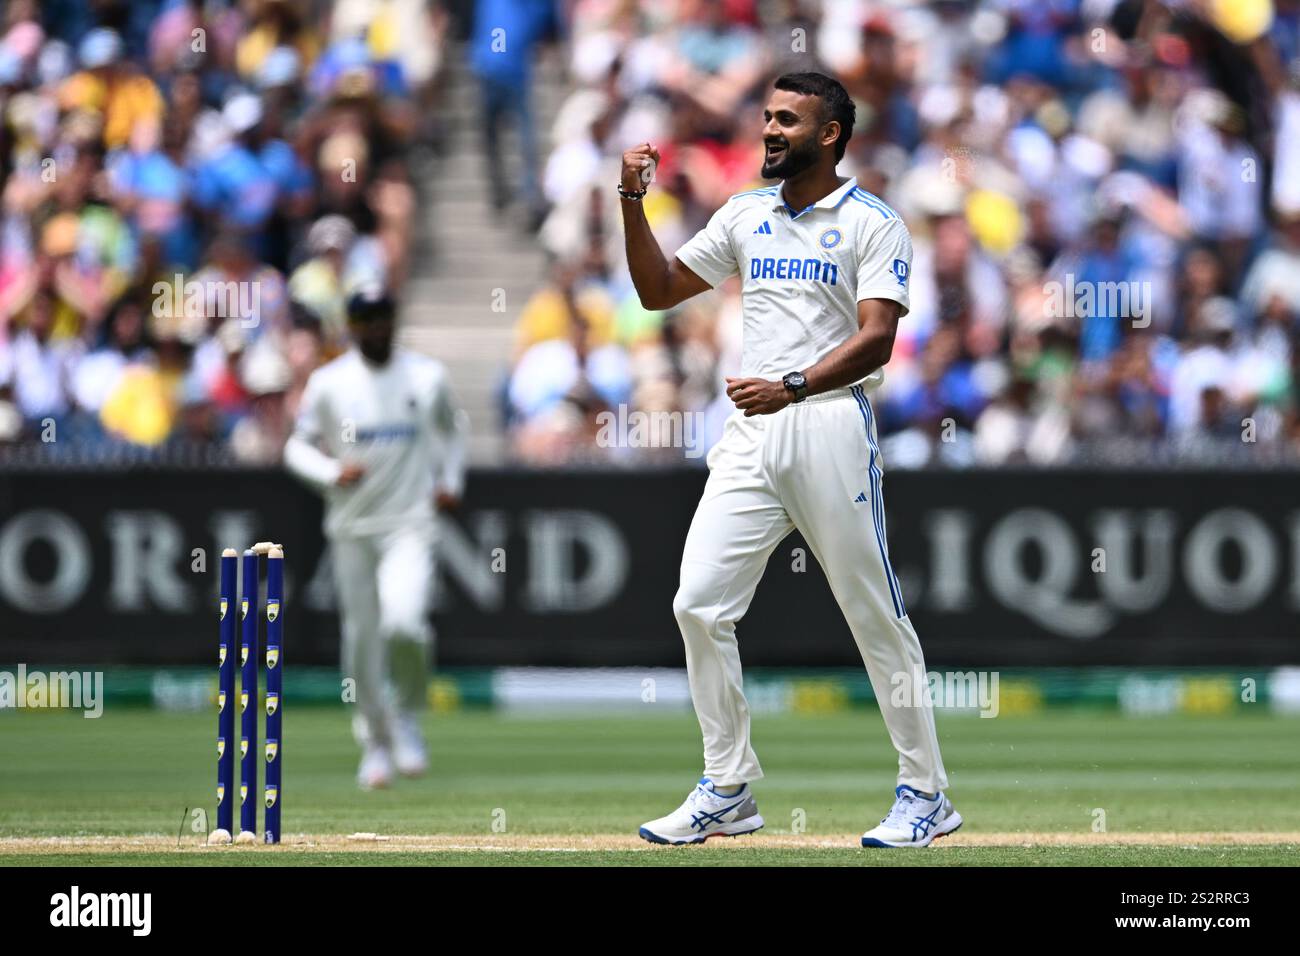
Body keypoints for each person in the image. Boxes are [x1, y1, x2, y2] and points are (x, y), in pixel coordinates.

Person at [619, 72, 958, 847]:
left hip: (828, 422)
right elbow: (659, 288)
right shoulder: (746, 213)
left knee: (874, 615)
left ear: (830, 134)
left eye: (787, 120)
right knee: (697, 603)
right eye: (767, 117)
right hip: (751, 430)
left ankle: (926, 793)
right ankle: (728, 787)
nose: (769, 130)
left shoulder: (872, 221)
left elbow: (879, 338)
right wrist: (632, 204)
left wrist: (794, 385)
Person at [283, 288, 467, 790]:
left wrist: (450, 481)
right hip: (351, 529)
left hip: (410, 523)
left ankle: (406, 717)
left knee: (405, 624)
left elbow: (452, 433)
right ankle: (374, 740)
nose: (375, 328)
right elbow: (295, 447)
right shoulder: (328, 383)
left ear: (394, 320)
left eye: (383, 318)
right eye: (364, 319)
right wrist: (329, 472)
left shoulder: (426, 377)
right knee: (361, 639)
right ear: (351, 325)